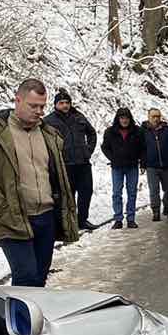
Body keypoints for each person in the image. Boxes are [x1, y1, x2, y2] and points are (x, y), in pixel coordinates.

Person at [0, 77, 79, 287]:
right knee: (25, 277)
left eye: (42, 106)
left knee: (39, 278)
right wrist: (1, 204)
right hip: (12, 218)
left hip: (46, 217)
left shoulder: (48, 134)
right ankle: (18, 319)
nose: (39, 111)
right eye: (33, 105)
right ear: (17, 101)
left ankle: (32, 319)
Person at [43, 88, 98, 231]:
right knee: (68, 196)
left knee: (86, 192)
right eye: (61, 103)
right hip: (65, 165)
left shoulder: (79, 117)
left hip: (83, 163)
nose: (65, 105)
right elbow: (43, 142)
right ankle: (70, 223)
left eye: (67, 102)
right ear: (55, 104)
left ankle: (82, 220)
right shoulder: (48, 121)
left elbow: (92, 133)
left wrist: (88, 150)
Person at [102, 107, 144, 229]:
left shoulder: (137, 131)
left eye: (126, 118)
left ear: (130, 119)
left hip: (132, 166)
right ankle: (118, 219)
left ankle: (131, 218)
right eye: (122, 118)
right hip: (117, 167)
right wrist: (112, 158)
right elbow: (105, 147)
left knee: (132, 193)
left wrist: (141, 161)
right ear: (118, 119)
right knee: (116, 193)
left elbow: (143, 148)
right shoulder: (110, 132)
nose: (124, 120)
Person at [142, 107, 168, 221]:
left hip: (166, 166)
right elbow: (141, 149)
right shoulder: (143, 132)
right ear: (148, 117)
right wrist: (143, 163)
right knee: (154, 191)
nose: (156, 119)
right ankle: (156, 212)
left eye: (158, 116)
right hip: (151, 166)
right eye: (153, 116)